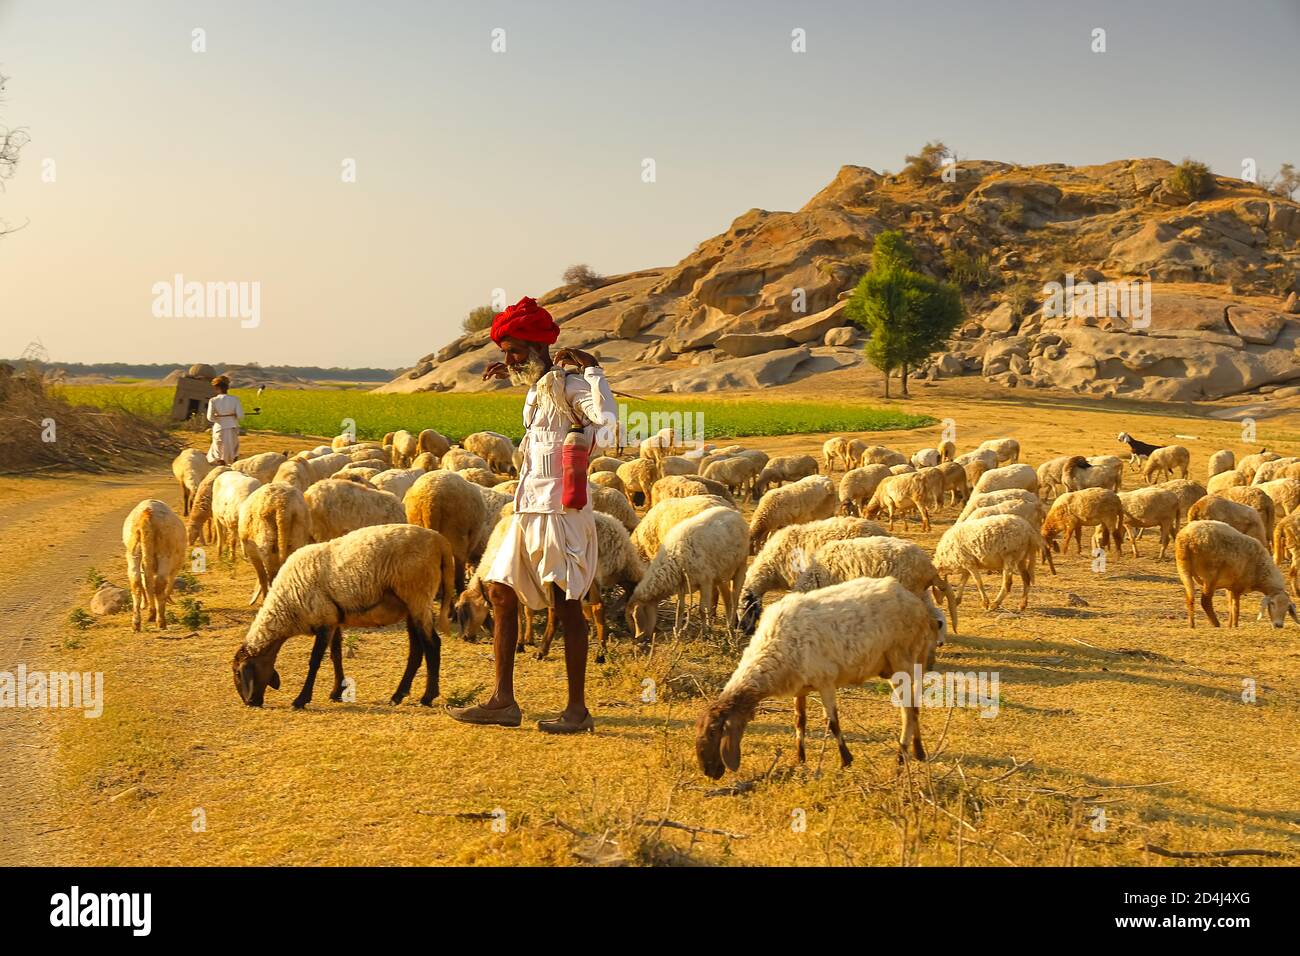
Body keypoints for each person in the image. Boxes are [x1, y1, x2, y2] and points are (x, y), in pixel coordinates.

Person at [448, 296, 616, 733]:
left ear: (539, 349)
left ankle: (577, 711)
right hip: (526, 510)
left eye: (516, 350)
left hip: (562, 512)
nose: (508, 359)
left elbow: (610, 427)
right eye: (505, 352)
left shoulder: (573, 386)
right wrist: (519, 369)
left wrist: (594, 369)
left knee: (566, 607)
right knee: (500, 592)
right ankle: (503, 701)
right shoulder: (536, 394)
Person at [205, 375, 244, 465]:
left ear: (216, 388)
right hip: (232, 428)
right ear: (227, 387)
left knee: (218, 454)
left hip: (219, 429)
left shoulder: (213, 400)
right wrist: (232, 416)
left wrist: (218, 417)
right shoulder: (235, 399)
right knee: (233, 453)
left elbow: (210, 418)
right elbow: (240, 416)